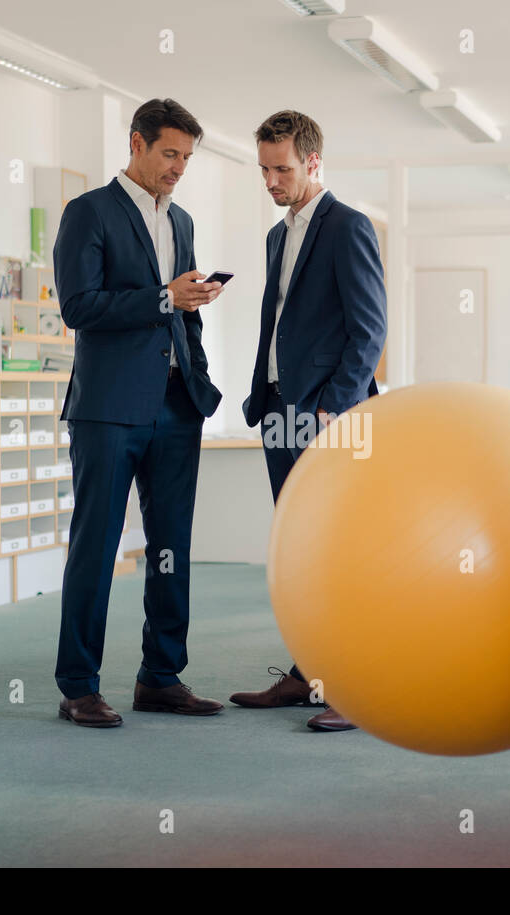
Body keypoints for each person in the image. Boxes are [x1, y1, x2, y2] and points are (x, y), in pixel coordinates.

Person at [54, 98, 225, 728]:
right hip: (109, 408)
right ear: (136, 144)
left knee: (171, 546)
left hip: (177, 406)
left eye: (187, 157)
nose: (179, 167)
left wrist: (195, 355)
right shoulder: (89, 212)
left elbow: (182, 312)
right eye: (169, 153)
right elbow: (79, 306)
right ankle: (78, 685)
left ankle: (161, 677)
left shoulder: (180, 220)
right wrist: (162, 297)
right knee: (96, 546)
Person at [230, 110, 387, 732]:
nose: (271, 181)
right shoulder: (279, 235)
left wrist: (333, 406)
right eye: (264, 170)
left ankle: (355, 685)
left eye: (282, 169)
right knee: (299, 550)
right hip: (278, 410)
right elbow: (279, 324)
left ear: (313, 162)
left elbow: (369, 329)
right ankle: (308, 671)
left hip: (329, 416)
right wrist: (263, 397)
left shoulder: (348, 227)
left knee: (341, 550)